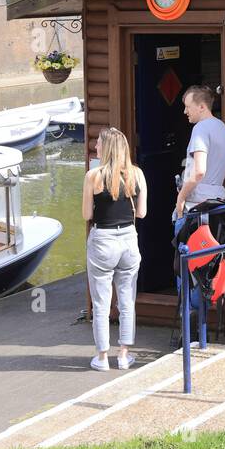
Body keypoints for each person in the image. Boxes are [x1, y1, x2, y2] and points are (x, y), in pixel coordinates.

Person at [82, 127, 147, 371]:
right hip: (129, 239)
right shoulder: (137, 175)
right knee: (126, 299)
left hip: (103, 240)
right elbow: (141, 212)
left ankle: (101, 358)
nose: (96, 147)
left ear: (106, 148)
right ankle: (123, 355)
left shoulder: (93, 176)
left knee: (101, 301)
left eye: (98, 143)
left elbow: (87, 214)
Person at [175, 83, 225, 221]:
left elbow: (199, 171)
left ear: (202, 107)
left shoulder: (200, 129)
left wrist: (181, 197)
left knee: (188, 242)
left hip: (197, 205)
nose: (185, 111)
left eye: (188, 107)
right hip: (219, 201)